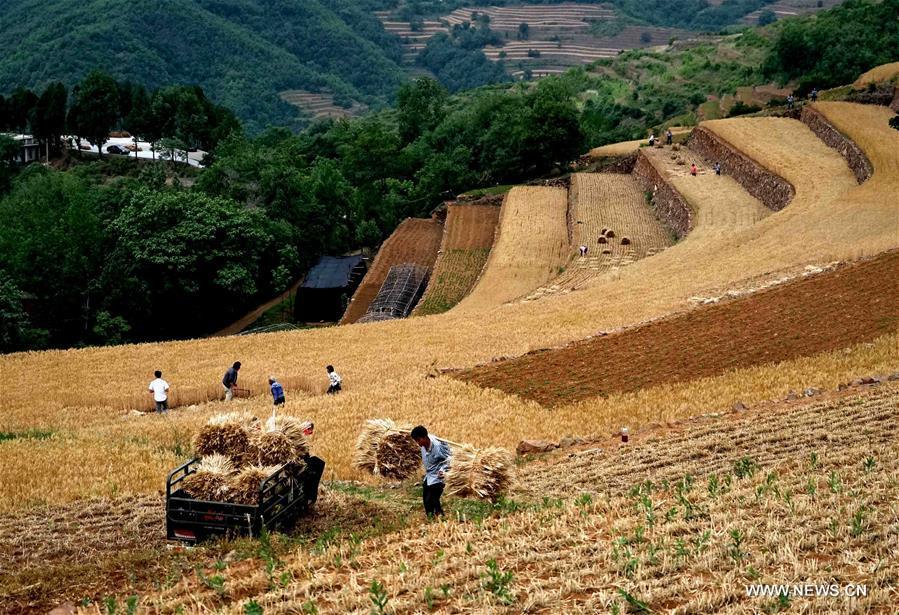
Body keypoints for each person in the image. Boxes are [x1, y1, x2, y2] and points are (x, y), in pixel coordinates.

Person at [411, 425, 452, 518]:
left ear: (425, 437)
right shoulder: (423, 444)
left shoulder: (437, 446)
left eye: (418, 440)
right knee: (426, 498)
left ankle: (439, 516)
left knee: (433, 498)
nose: (418, 443)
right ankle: (431, 517)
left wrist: (443, 470)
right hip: (429, 474)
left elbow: (449, 459)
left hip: (438, 476)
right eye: (416, 441)